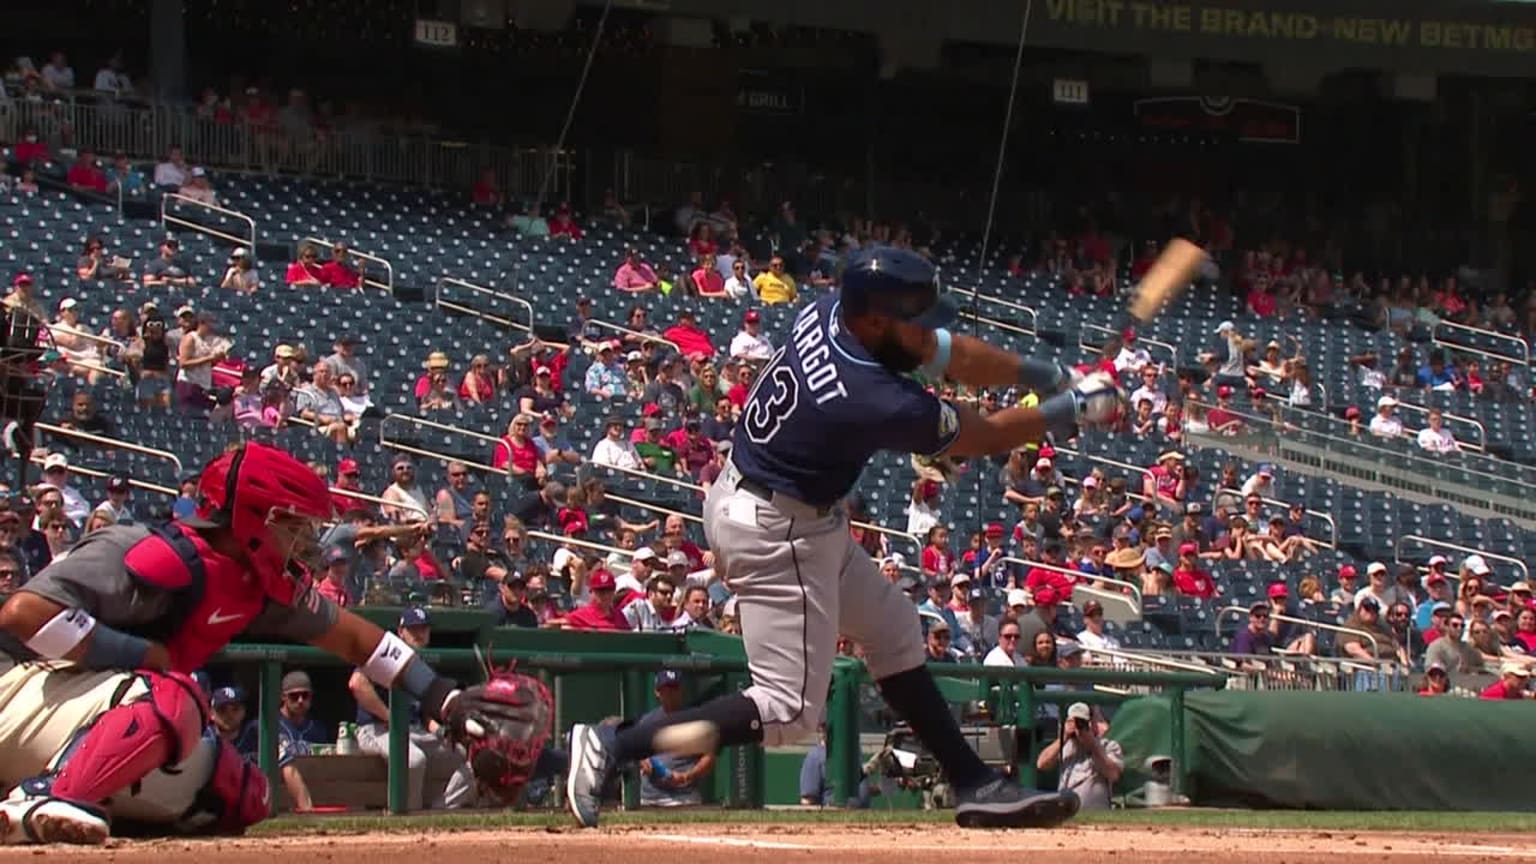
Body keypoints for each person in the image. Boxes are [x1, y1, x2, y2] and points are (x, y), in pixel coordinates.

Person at [564, 247, 1119, 830]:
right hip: (777, 530)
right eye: (912, 317)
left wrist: (1041, 373)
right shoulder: (866, 390)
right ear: (878, 319)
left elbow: (940, 350)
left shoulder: (837, 311)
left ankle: (974, 782)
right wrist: (1069, 407)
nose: (926, 329)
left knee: (895, 632)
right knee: (786, 710)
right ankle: (615, 744)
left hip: (779, 506)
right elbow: (977, 435)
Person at [0, 442, 511, 843]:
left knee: (242, 794)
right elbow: (26, 616)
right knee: (175, 696)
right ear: (255, 520)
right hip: (20, 692)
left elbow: (362, 642)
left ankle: (69, 806)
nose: (306, 543)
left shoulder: (256, 585)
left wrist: (443, 696)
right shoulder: (143, 551)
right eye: (295, 526)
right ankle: (41, 797)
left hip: (91, 715)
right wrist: (143, 656)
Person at [1033, 702, 1123, 812]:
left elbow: (1113, 774)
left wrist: (1092, 745)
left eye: (1082, 723)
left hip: (1097, 813)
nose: (1078, 727)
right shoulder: (1064, 746)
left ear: (1092, 724)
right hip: (1066, 812)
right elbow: (1041, 764)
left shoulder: (1107, 746)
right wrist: (1064, 736)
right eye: (1073, 722)